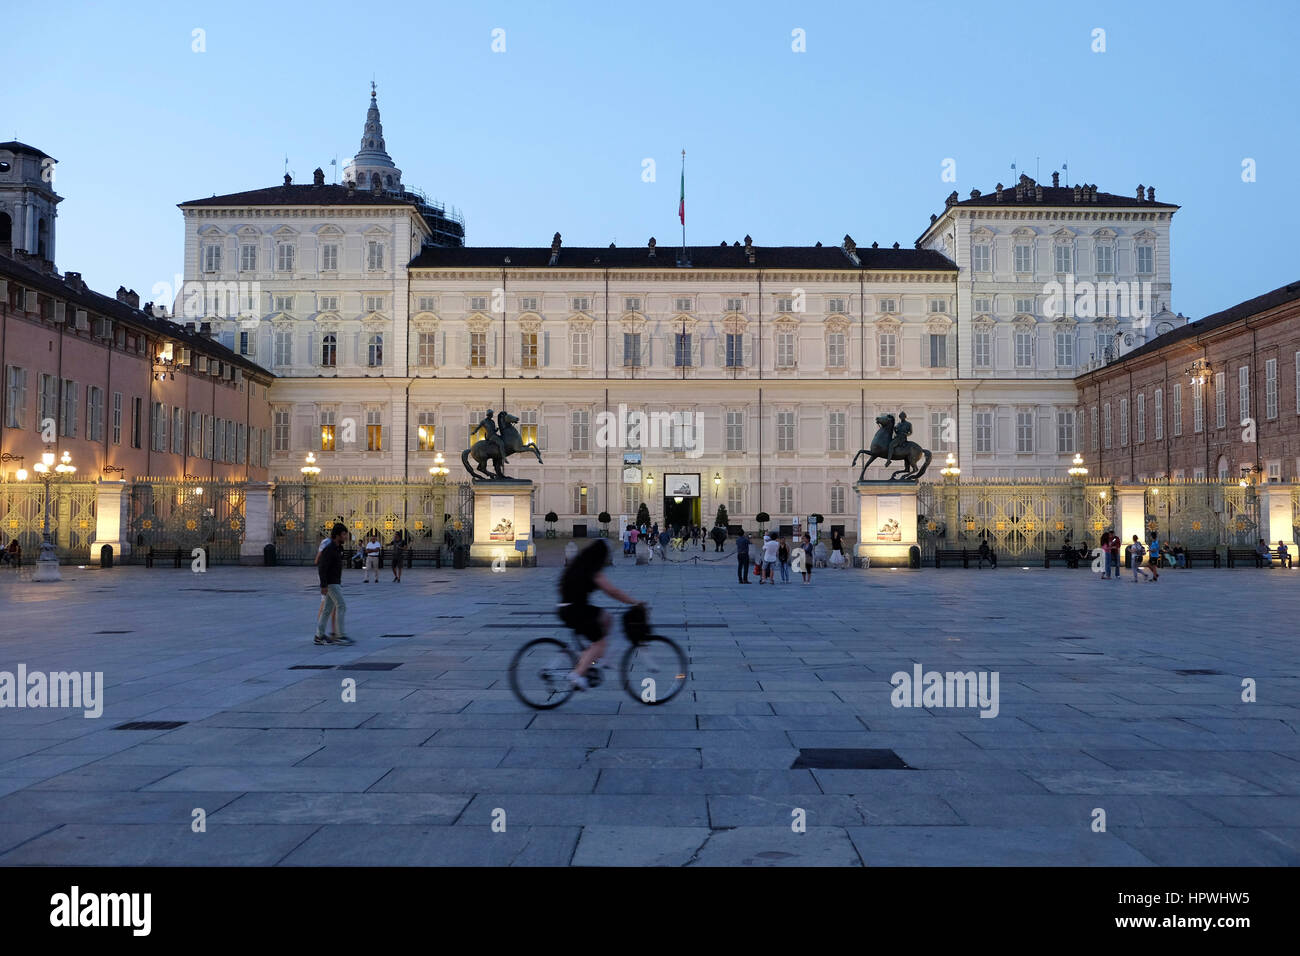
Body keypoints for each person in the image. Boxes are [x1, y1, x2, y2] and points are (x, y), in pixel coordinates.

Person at [557, 539, 643, 690]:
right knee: (600, 642)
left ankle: (593, 657)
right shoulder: (592, 570)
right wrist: (634, 602)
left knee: (606, 617)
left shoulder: (579, 565)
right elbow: (612, 591)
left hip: (567, 608)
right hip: (575, 610)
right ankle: (577, 674)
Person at [315, 523, 355, 646]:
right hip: (331, 583)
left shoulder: (337, 548)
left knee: (327, 609)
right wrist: (323, 585)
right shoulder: (330, 548)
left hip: (334, 582)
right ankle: (340, 635)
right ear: (337, 535)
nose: (345, 537)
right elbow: (322, 567)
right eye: (343, 535)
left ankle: (319, 636)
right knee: (341, 605)